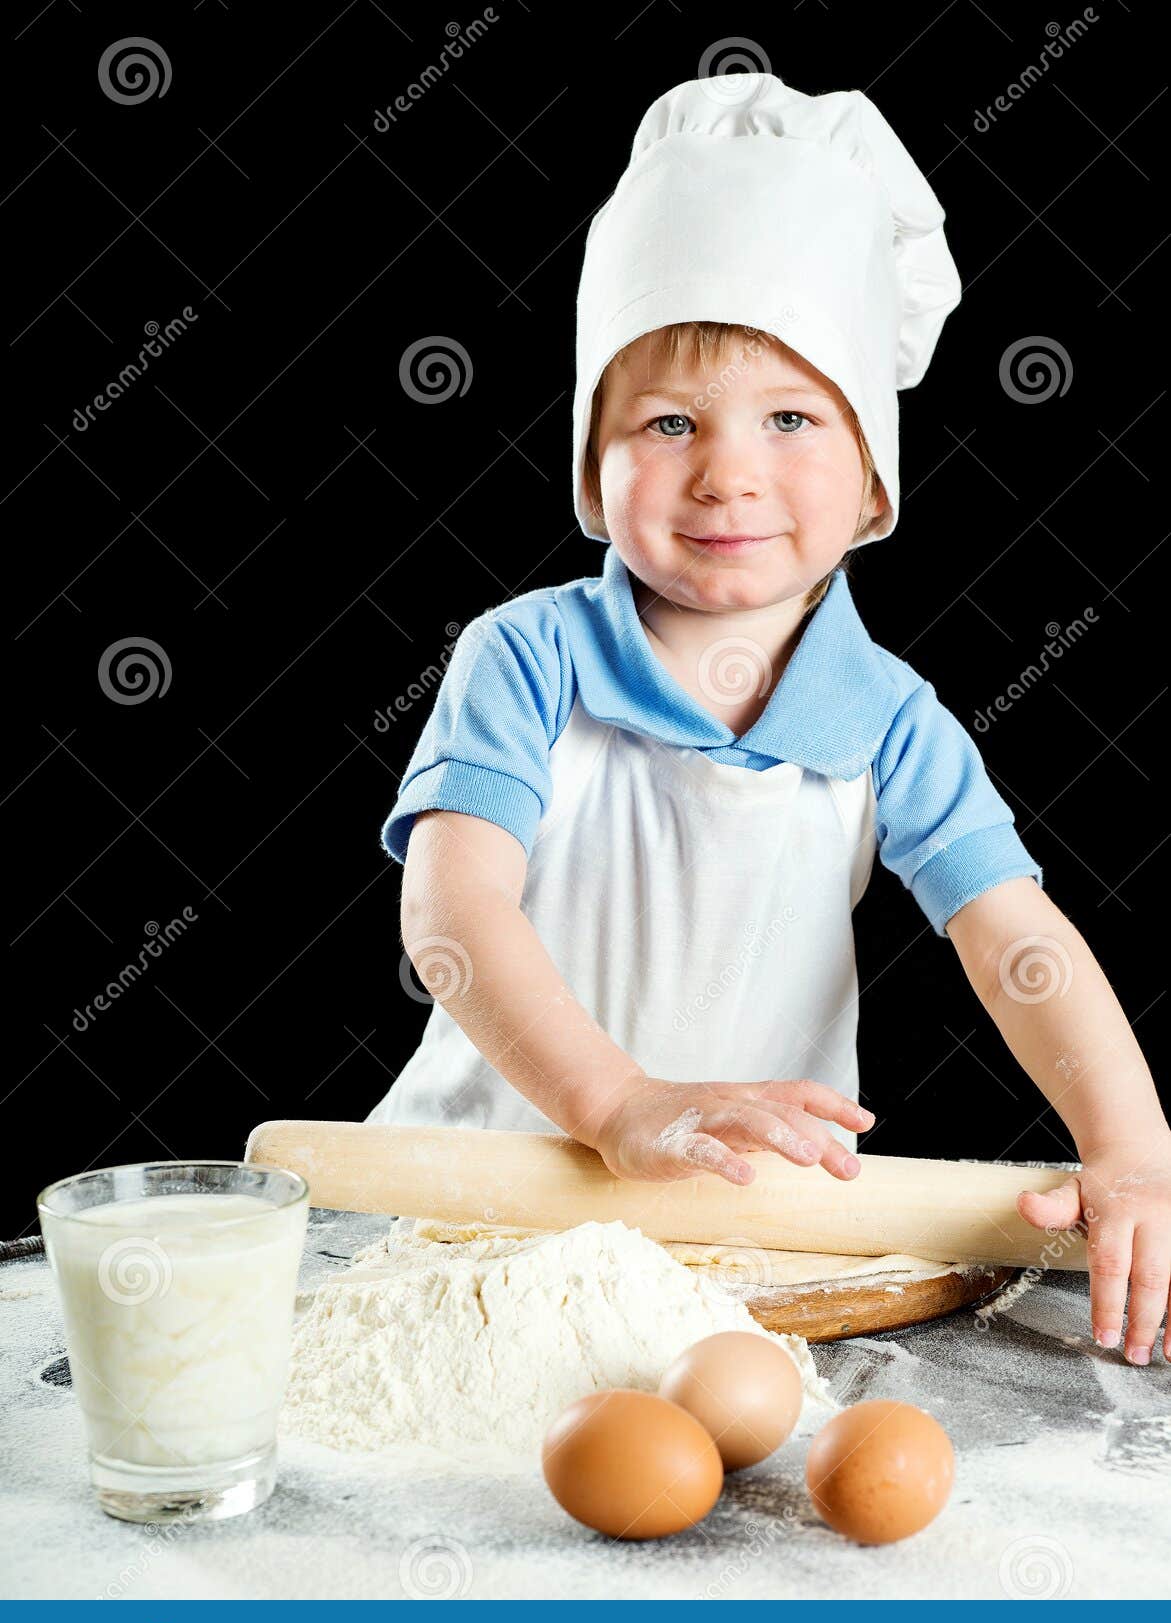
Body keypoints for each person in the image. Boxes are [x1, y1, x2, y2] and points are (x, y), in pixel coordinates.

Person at [368, 74, 1170, 1364]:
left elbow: (1018, 937)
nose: (728, 470)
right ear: (594, 470)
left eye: (792, 419)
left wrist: (1131, 1146)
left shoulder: (892, 723)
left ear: (871, 485)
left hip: (752, 1243)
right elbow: (453, 919)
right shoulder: (525, 659)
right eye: (668, 421)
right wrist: (617, 1104)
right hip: (479, 1211)